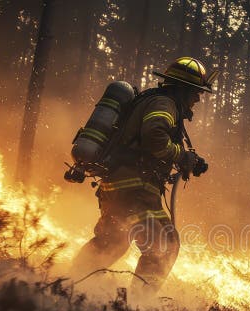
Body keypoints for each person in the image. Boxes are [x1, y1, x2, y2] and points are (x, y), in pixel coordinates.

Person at [72, 56, 216, 298]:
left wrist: (187, 159)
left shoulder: (153, 101)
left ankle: (70, 284)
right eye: (195, 92)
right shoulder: (165, 103)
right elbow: (154, 136)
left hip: (117, 185)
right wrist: (182, 157)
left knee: (112, 242)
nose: (198, 98)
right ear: (182, 90)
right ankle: (140, 305)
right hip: (135, 188)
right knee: (166, 244)